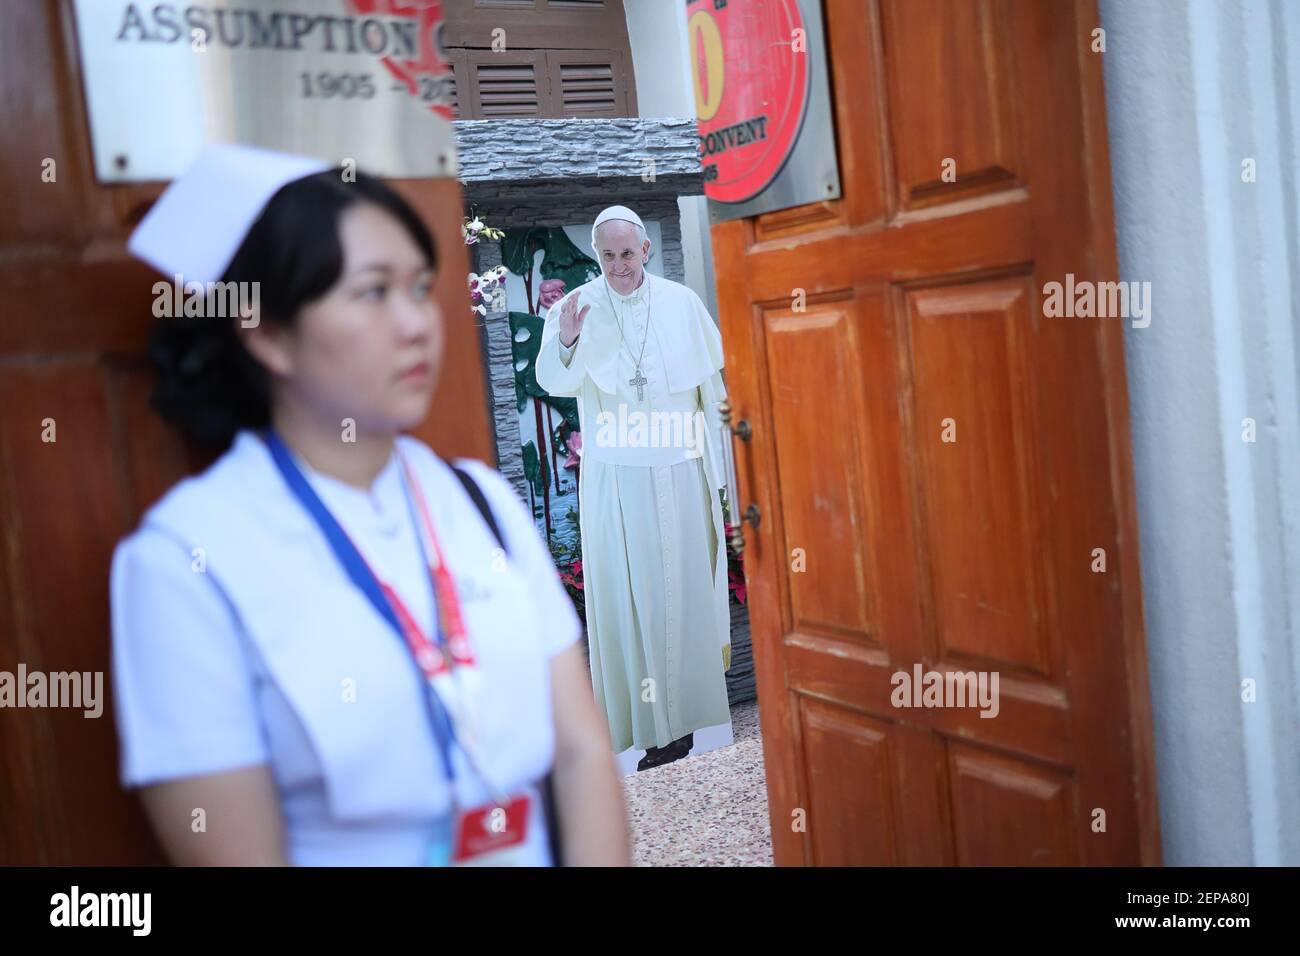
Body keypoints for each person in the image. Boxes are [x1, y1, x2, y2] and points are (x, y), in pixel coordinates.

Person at [111, 143, 629, 866]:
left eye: (420, 288)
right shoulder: (182, 564)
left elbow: (580, 751)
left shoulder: (478, 500)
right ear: (266, 332)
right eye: (373, 292)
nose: (418, 322)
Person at [534, 205, 731, 771]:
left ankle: (687, 723)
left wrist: (721, 475)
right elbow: (553, 380)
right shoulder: (575, 308)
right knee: (631, 600)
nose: (619, 265)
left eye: (627, 252)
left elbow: (711, 391)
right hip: (616, 477)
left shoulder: (682, 303)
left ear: (645, 250)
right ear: (598, 256)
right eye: (608, 255)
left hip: (677, 465)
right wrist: (567, 339)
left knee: (682, 595)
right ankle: (652, 730)